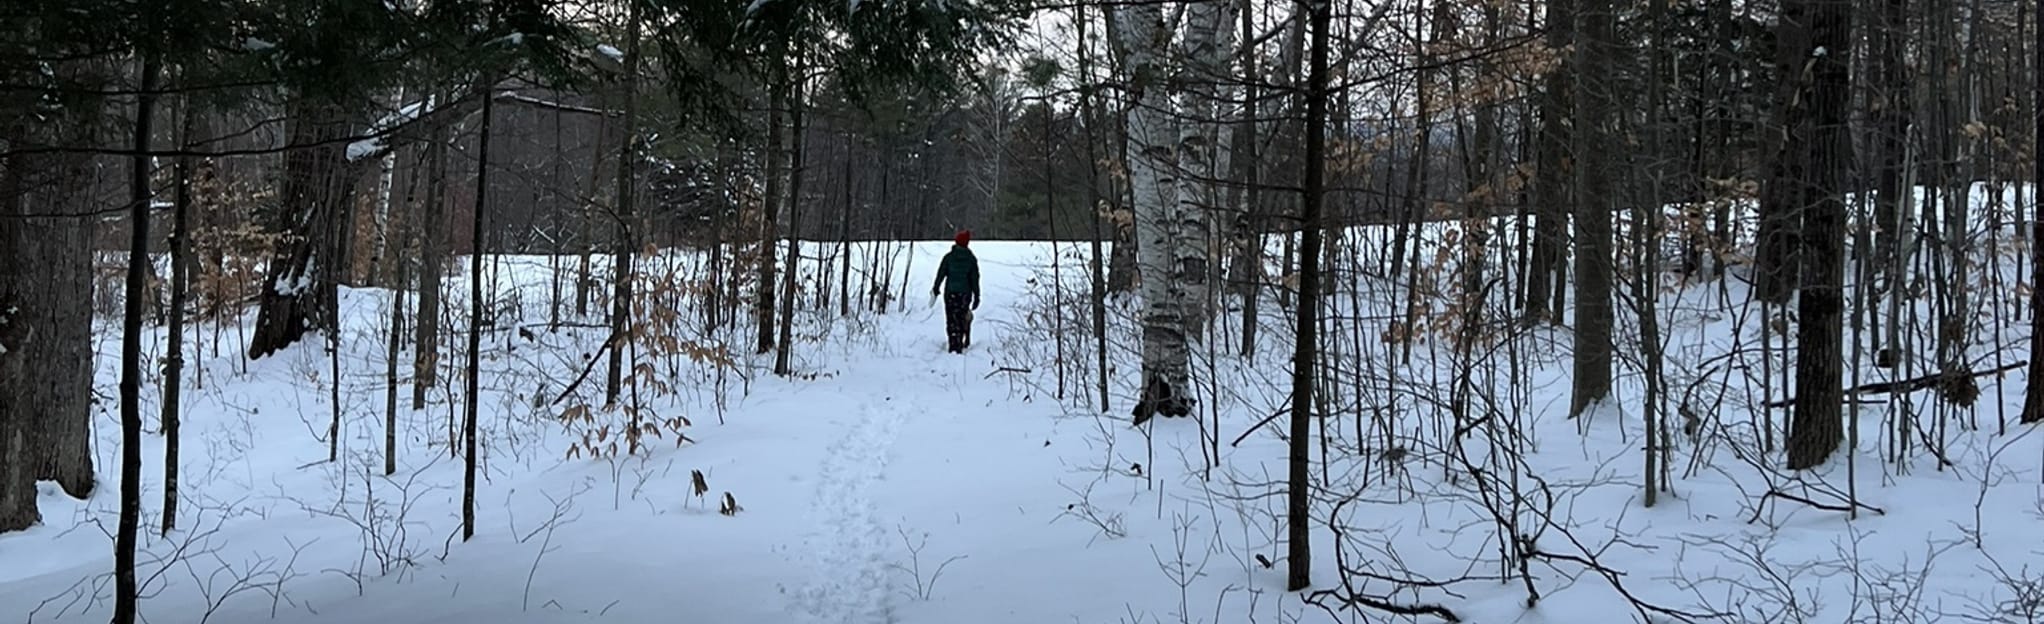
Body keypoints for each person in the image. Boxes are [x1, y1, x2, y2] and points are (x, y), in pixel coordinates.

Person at [931, 229, 980, 353]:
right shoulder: (971, 259)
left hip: (950, 293)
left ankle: (953, 342)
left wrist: (936, 288)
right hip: (965, 294)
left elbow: (941, 274)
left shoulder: (948, 258)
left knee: (951, 318)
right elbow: (975, 279)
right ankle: (960, 341)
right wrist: (977, 296)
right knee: (962, 317)